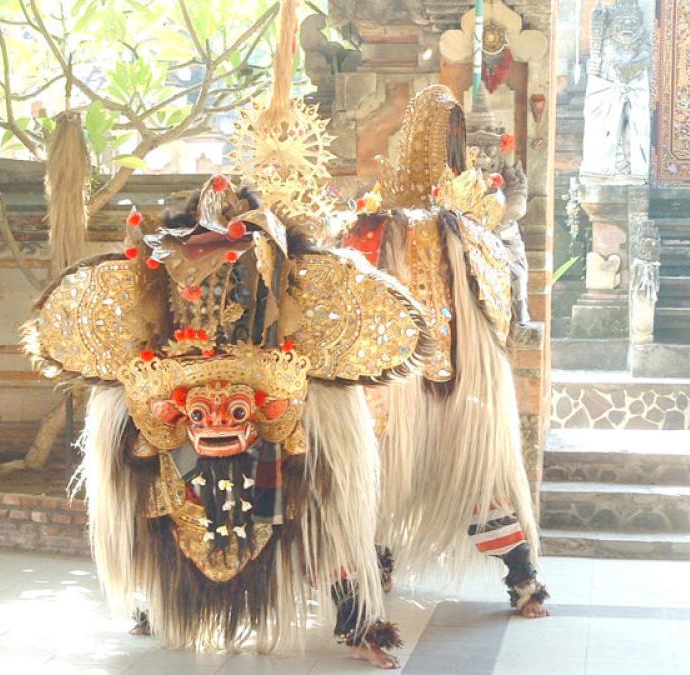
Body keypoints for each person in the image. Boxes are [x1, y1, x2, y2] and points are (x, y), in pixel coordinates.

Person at [23, 175, 434, 668]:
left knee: (320, 517)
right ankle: (155, 605)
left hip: (267, 418)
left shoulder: (289, 293)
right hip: (179, 419)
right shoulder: (156, 296)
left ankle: (356, 620)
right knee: (159, 519)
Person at [344, 85, 549, 618]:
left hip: (445, 380)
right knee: (389, 478)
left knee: (461, 477)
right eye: (451, 143)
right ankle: (516, 580)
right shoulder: (397, 226)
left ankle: (521, 578)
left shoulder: (394, 225)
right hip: (416, 381)